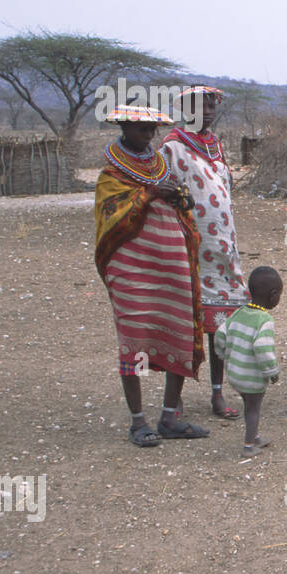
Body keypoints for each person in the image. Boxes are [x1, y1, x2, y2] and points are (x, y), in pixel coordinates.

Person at [94, 105, 208, 447]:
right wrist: (150, 195)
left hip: (172, 261)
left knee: (179, 330)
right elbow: (110, 215)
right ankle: (138, 421)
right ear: (124, 128)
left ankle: (170, 416)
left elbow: (184, 201)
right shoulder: (111, 174)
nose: (149, 136)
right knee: (136, 336)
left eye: (151, 130)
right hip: (131, 267)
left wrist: (178, 195)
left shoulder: (160, 164)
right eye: (142, 130)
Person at [160, 85, 248, 421]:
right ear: (185, 109)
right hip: (189, 248)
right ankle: (175, 398)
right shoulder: (173, 147)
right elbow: (163, 192)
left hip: (223, 250)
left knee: (219, 328)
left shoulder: (215, 146)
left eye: (211, 106)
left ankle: (216, 392)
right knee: (185, 323)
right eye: (199, 106)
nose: (207, 111)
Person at [213, 266, 282, 458]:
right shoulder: (264, 320)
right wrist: (272, 372)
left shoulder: (238, 312)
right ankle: (249, 445)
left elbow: (220, 334)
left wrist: (222, 354)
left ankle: (255, 436)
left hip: (235, 375)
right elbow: (263, 349)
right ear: (273, 295)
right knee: (253, 410)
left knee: (248, 407)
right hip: (252, 378)